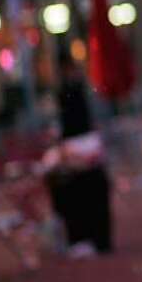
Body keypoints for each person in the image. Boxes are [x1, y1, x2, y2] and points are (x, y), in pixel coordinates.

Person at [44, 52, 113, 255]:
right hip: (82, 143)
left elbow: (72, 121)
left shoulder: (72, 91)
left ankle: (84, 237)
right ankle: (94, 238)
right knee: (84, 187)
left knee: (77, 186)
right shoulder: (79, 90)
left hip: (79, 144)